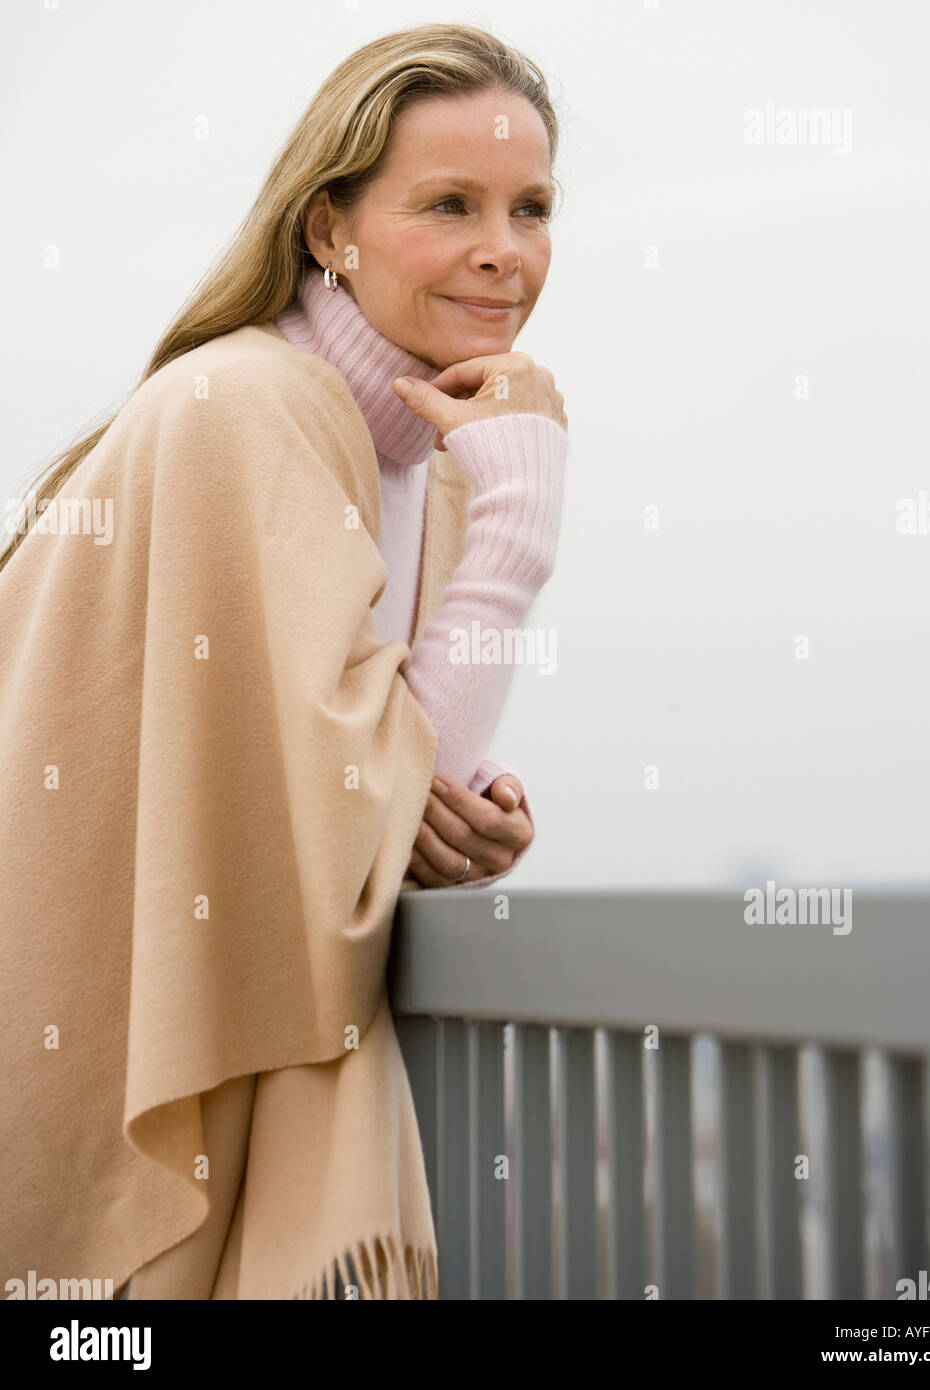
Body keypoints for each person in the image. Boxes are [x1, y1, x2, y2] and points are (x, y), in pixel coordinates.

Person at [0, 22, 567, 1301]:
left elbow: (352, 778)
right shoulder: (250, 405)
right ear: (329, 229)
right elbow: (345, 814)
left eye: (532, 207)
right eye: (449, 204)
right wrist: (521, 536)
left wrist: (464, 811)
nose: (505, 249)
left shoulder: (425, 458)